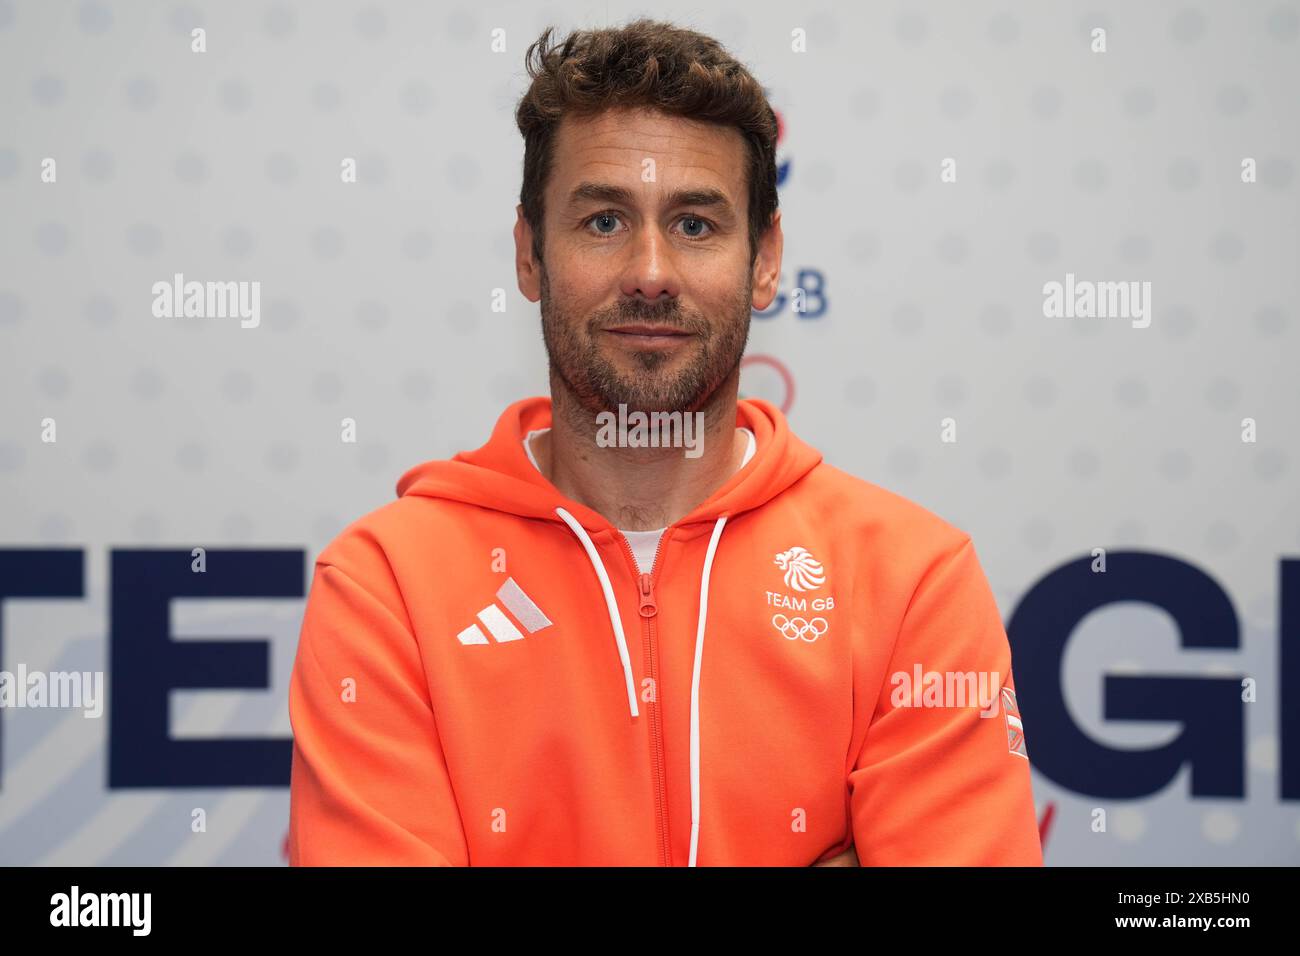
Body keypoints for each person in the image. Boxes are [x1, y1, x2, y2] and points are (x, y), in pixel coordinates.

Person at [287, 18, 1043, 867]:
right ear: (530, 253)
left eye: (694, 225)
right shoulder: (387, 588)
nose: (650, 271)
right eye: (605, 221)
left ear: (765, 259)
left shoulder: (912, 585)